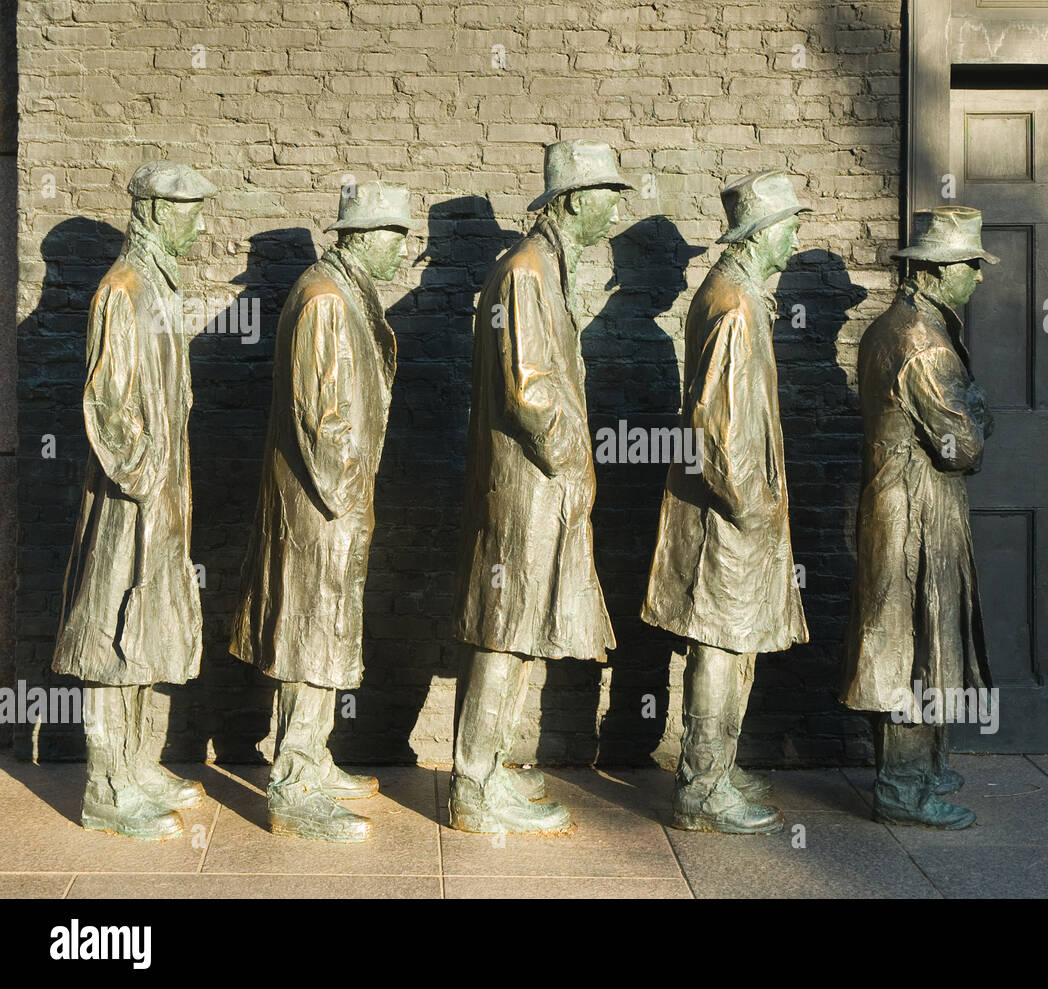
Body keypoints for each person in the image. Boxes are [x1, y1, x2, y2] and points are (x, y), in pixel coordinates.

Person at [450, 140, 630, 833]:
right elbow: (531, 392)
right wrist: (575, 463)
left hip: (537, 484)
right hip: (529, 485)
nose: (617, 205)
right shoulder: (526, 271)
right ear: (578, 199)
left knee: (522, 629)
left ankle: (489, 769)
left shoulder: (544, 267)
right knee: (506, 627)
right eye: (610, 192)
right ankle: (472, 784)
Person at [230, 181, 411, 842]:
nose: (403, 251)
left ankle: (313, 754)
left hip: (329, 504)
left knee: (324, 633)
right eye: (397, 236)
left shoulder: (340, 293)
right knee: (312, 633)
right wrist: (348, 499)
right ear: (364, 237)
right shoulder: (327, 300)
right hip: (321, 507)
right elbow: (323, 420)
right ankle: (295, 784)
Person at [642, 171, 811, 834]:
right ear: (763, 233)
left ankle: (717, 763)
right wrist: (753, 507)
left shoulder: (732, 294)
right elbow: (719, 424)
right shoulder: (736, 303)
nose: (796, 241)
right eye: (791, 227)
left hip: (732, 504)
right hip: (731, 510)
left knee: (733, 642)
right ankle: (703, 785)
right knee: (722, 643)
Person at [53, 160, 216, 839]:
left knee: (143, 628)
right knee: (113, 630)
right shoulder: (123, 290)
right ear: (151, 212)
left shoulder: (152, 285)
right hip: (130, 503)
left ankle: (136, 765)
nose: (201, 225)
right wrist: (148, 480)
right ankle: (105, 787)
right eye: (189, 211)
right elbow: (109, 404)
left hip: (157, 499)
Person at [842, 205, 997, 829]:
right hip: (917, 509)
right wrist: (980, 417)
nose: (978, 277)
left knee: (921, 637)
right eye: (969, 266)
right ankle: (904, 787)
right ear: (934, 272)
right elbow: (961, 446)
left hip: (905, 500)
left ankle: (924, 764)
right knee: (915, 641)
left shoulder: (895, 325)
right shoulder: (921, 343)